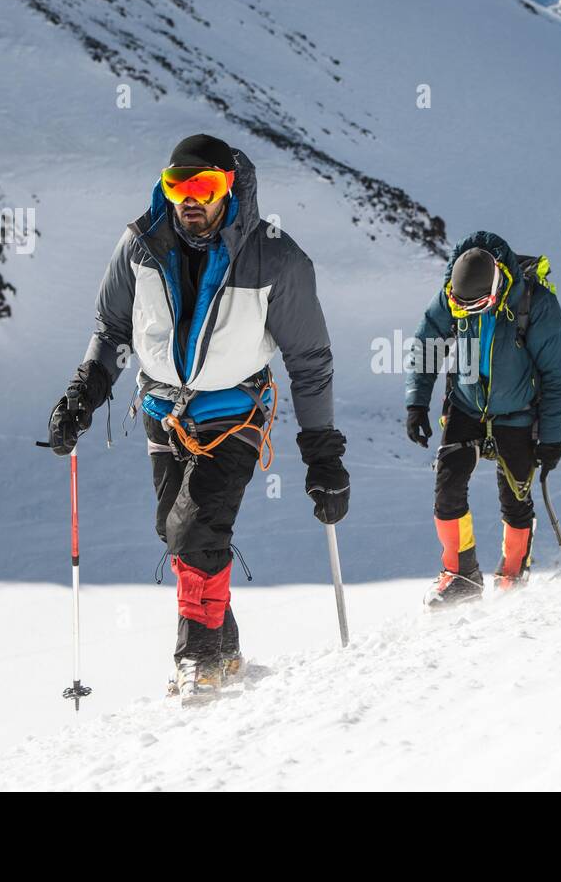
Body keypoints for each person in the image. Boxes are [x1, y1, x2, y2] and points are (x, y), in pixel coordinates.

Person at [46, 134, 349, 703]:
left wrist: (323, 455)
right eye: (176, 186)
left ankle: (198, 656)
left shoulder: (275, 256)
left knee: (195, 531)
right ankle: (227, 647)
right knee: (174, 530)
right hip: (163, 409)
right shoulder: (139, 246)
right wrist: (82, 395)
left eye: (204, 187)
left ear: (228, 189)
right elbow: (111, 330)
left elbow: (310, 360)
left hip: (235, 409)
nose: (189, 199)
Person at [405, 231, 561, 606]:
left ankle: (513, 574)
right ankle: (462, 575)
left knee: (515, 497)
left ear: (496, 287)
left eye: (476, 306)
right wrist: (417, 402)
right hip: (466, 405)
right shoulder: (453, 294)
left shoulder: (536, 305)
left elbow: (558, 376)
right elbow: (427, 343)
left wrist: (551, 438)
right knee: (447, 490)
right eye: (460, 306)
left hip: (517, 414)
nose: (466, 312)